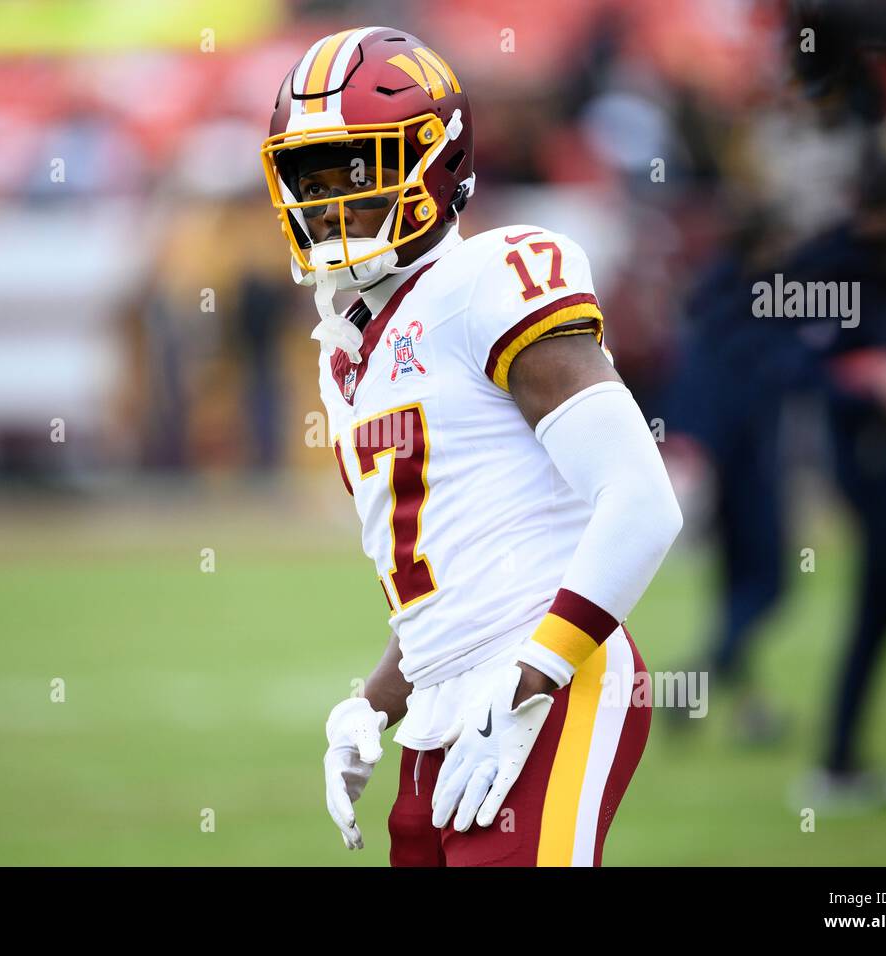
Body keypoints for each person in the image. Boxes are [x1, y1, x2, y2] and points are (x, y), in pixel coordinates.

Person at [260, 27, 681, 866]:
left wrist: (532, 682)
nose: (329, 201)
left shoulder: (488, 278)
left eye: (357, 169)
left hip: (551, 675)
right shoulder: (341, 348)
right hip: (447, 704)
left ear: (434, 163)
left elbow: (642, 503)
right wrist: (374, 703)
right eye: (311, 177)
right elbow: (448, 583)